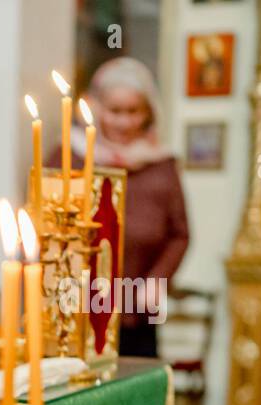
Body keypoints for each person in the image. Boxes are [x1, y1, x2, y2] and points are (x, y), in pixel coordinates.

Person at [50, 56, 189, 358]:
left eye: (133, 111)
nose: (124, 122)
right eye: (115, 111)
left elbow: (180, 234)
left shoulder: (162, 164)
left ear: (148, 113)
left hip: (136, 310)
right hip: (76, 304)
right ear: (98, 109)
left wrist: (157, 279)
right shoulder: (68, 156)